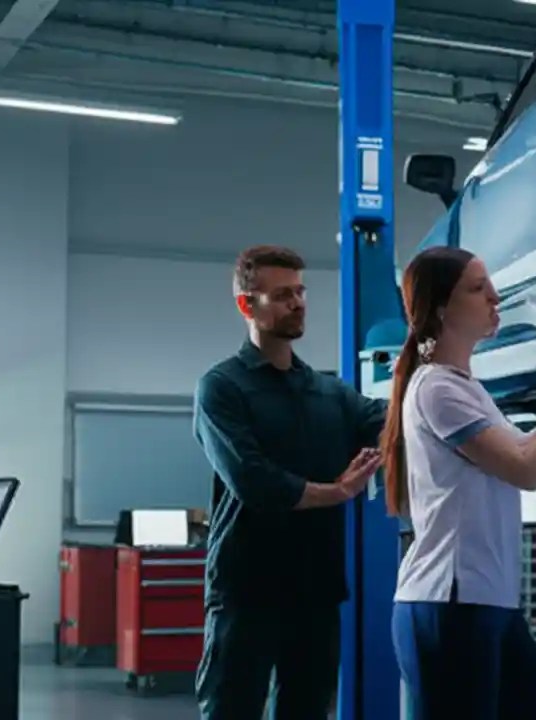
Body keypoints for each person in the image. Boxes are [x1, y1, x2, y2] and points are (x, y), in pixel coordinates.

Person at [379, 246, 536, 719]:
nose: (495, 296)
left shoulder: (466, 387)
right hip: (449, 607)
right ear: (441, 309)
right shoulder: (436, 388)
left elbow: (531, 453)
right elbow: (526, 467)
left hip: (488, 603)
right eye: (477, 288)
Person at [192, 244, 387, 720]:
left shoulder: (329, 392)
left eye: (300, 292)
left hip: (315, 591)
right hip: (247, 591)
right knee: (230, 711)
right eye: (282, 295)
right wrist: (336, 492)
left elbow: (389, 422)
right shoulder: (222, 388)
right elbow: (254, 481)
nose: (298, 303)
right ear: (247, 304)